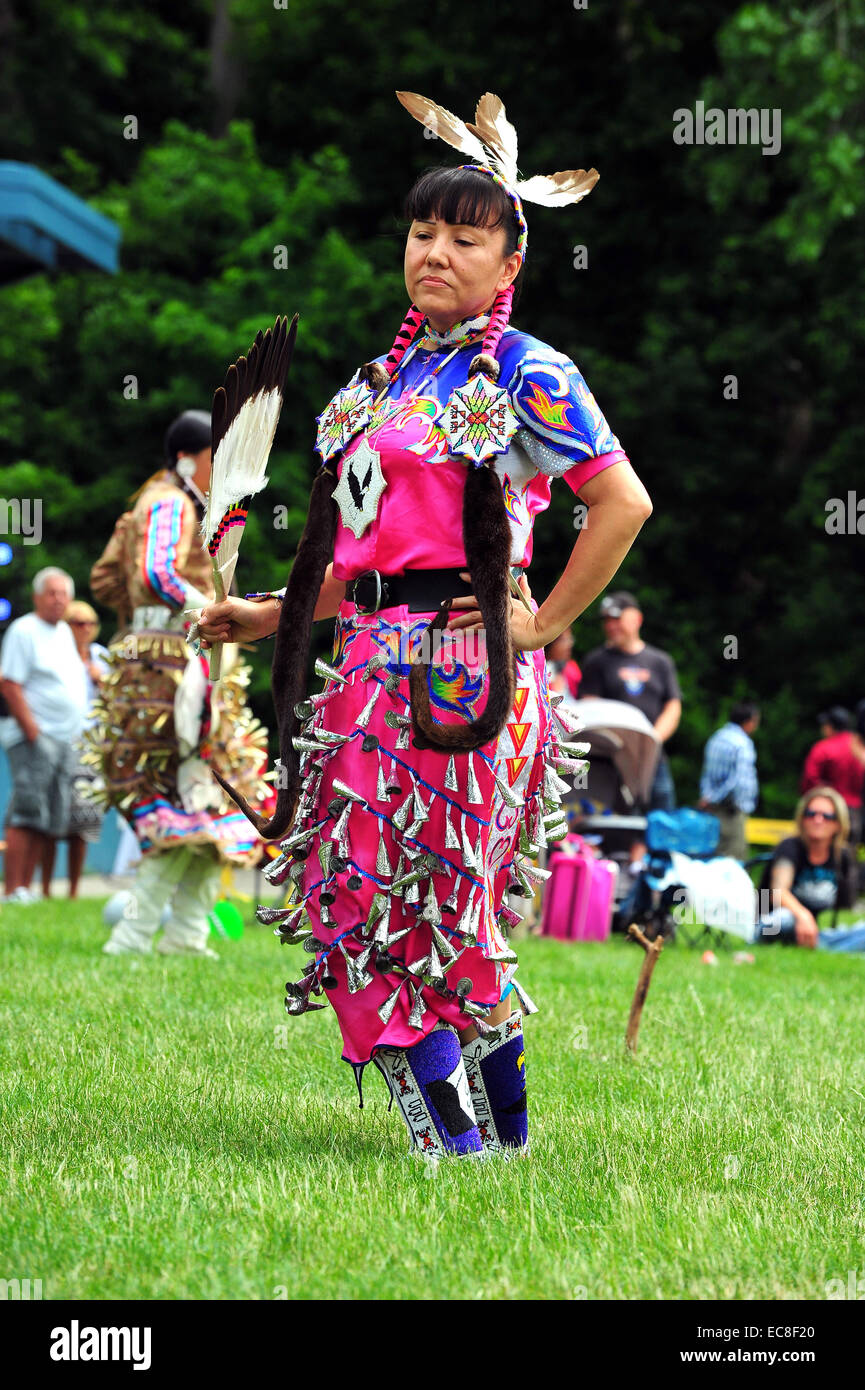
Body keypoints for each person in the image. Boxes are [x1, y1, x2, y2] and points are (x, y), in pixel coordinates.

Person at [196, 90, 653, 1160]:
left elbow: (620, 500)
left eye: (464, 235)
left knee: (441, 905)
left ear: (510, 264)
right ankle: (469, 1136)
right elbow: (349, 555)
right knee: (351, 894)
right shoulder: (375, 387)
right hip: (362, 676)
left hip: (462, 674)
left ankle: (485, 1136)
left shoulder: (529, 371)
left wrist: (542, 628)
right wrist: (264, 616)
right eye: (421, 230)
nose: (434, 251)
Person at [86, 410, 275, 958]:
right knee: (183, 791)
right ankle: (134, 935)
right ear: (191, 456)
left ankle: (186, 936)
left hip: (165, 659)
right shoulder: (169, 501)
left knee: (206, 798)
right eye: (217, 457)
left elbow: (106, 577)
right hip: (173, 665)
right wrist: (211, 608)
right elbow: (157, 572)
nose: (223, 470)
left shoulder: (154, 502)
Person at [0, 568, 88, 903]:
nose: (58, 599)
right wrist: (34, 733)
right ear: (38, 597)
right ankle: (12, 889)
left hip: (64, 740)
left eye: (64, 593)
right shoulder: (24, 630)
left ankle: (26, 887)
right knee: (26, 808)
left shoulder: (64, 633)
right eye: (51, 593)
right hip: (33, 736)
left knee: (46, 813)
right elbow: (9, 683)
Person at [34, 599, 111, 898]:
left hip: (89, 747)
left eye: (90, 623)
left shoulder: (101, 657)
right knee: (51, 817)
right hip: (57, 742)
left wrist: (101, 680)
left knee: (83, 821)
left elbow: (116, 700)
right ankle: (44, 889)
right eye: (78, 623)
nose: (85, 629)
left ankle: (74, 891)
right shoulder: (54, 656)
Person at [578, 591, 681, 811]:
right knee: (619, 828)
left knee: (662, 827)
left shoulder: (660, 661)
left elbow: (673, 705)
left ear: (637, 619)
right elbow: (590, 710)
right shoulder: (596, 662)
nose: (610, 626)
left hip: (655, 760)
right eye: (607, 620)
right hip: (612, 763)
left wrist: (651, 739)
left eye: (616, 619)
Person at [754, 787, 861, 949]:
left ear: (838, 824)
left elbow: (846, 903)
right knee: (787, 918)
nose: (818, 820)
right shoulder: (789, 847)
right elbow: (778, 893)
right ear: (802, 818)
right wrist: (803, 916)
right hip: (772, 923)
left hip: (810, 931)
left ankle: (820, 943)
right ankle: (824, 944)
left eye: (827, 816)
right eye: (811, 814)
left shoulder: (841, 856)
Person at [698, 701, 760, 860]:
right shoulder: (742, 743)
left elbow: (706, 773)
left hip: (711, 809)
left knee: (712, 855)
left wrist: (708, 798)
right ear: (749, 721)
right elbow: (738, 780)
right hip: (731, 809)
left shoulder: (716, 738)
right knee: (735, 859)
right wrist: (716, 799)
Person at [800, 706, 864, 848]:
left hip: (828, 812)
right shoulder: (860, 749)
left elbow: (810, 780)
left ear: (830, 726)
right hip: (855, 812)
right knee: (850, 854)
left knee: (823, 853)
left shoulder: (824, 748)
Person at [544, 627, 581, 699]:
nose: (570, 644)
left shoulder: (571, 669)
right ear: (550, 642)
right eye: (564, 640)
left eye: (570, 639)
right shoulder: (536, 673)